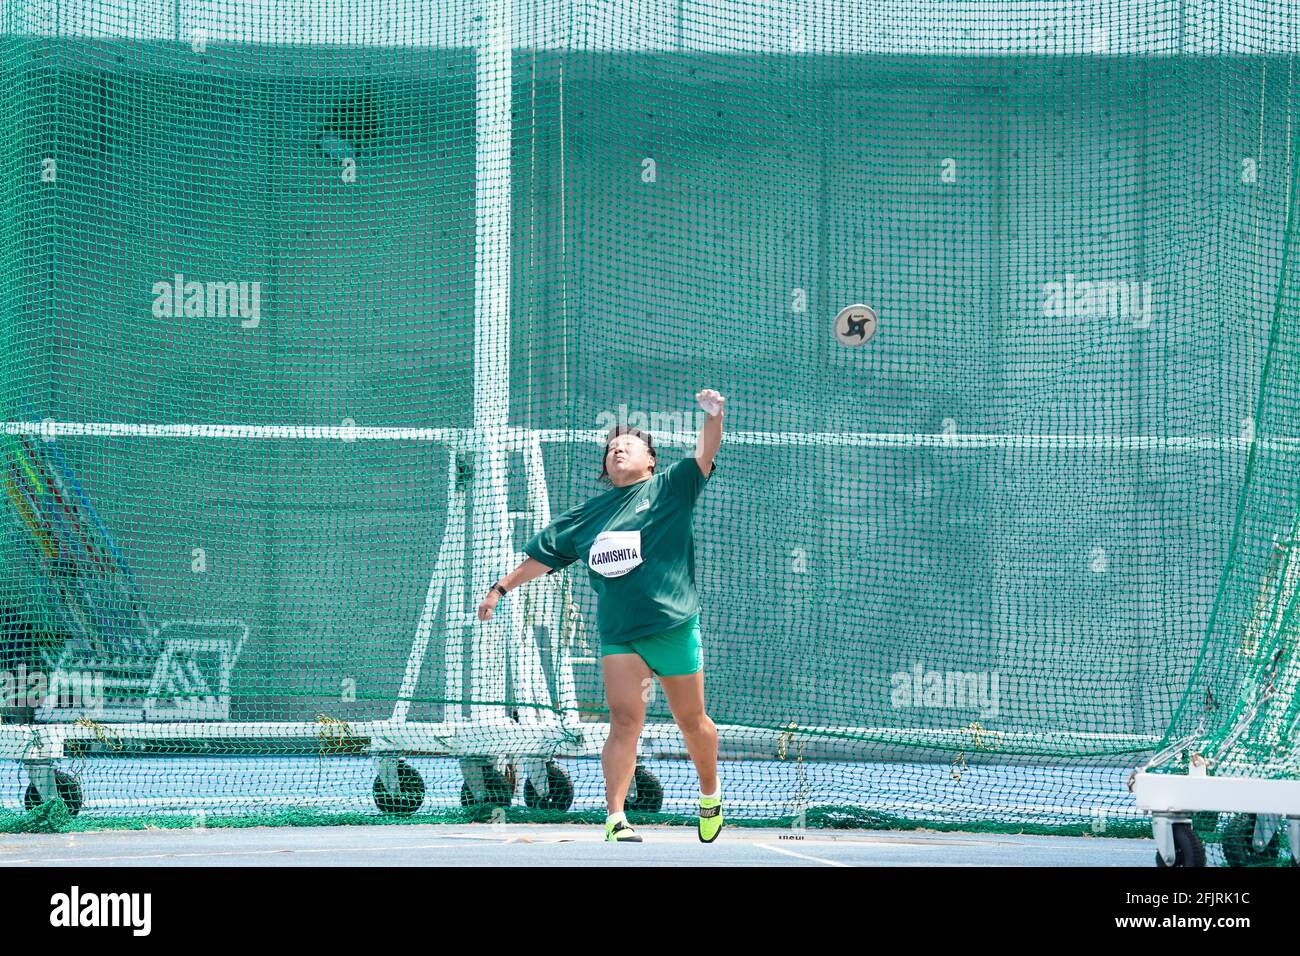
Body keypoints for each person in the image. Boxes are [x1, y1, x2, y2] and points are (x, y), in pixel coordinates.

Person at [478, 389, 725, 843]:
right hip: (620, 634)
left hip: (673, 626)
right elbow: (545, 557)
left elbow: (705, 452)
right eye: (611, 447)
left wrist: (714, 415)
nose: (617, 448)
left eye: (628, 444)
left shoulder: (670, 487)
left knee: (693, 722)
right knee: (624, 719)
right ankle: (615, 818)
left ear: (650, 460)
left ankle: (709, 796)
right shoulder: (589, 515)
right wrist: (500, 589)